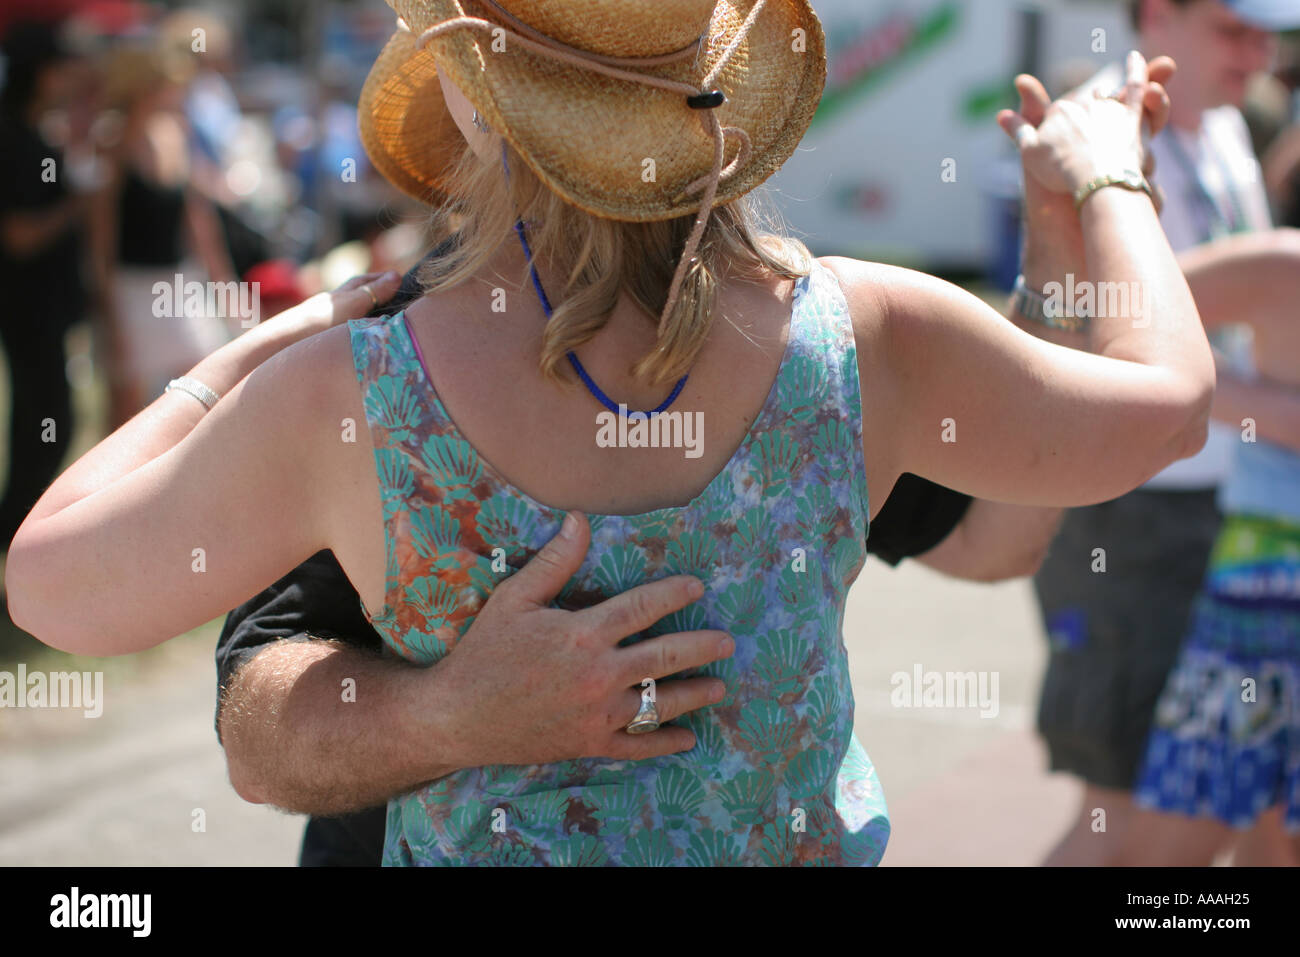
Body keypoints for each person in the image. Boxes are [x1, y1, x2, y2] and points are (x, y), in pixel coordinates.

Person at [6, 0, 1213, 866]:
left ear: (472, 109)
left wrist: (235, 360)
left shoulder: (350, 388)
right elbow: (1164, 410)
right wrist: (1107, 183)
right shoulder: (865, 335)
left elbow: (51, 586)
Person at [1032, 0, 1300, 867]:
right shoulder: (1095, 133)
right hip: (1132, 516)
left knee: (1250, 814)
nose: (1261, 50)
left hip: (1223, 512)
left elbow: (1219, 329)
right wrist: (1244, 403)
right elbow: (1086, 338)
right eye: (1235, 28)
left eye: (1269, 30)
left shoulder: (1222, 125)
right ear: (1158, 14)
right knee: (1126, 825)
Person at [1125, 227, 1300, 864]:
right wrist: (1264, 408)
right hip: (1263, 599)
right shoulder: (1285, 264)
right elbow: (1104, 306)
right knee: (1162, 865)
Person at [87, 43, 238, 431]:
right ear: (145, 87)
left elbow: (198, 223)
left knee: (200, 392)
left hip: (179, 285)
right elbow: (100, 239)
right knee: (123, 413)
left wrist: (225, 286)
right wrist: (110, 316)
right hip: (129, 288)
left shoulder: (177, 132)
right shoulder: (112, 142)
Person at [0, 20, 91, 550]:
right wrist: (78, 205)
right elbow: (19, 236)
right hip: (26, 309)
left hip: (44, 309)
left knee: (51, 420)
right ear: (41, 74)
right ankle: (16, 538)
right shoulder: (14, 138)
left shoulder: (36, 133)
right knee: (45, 421)